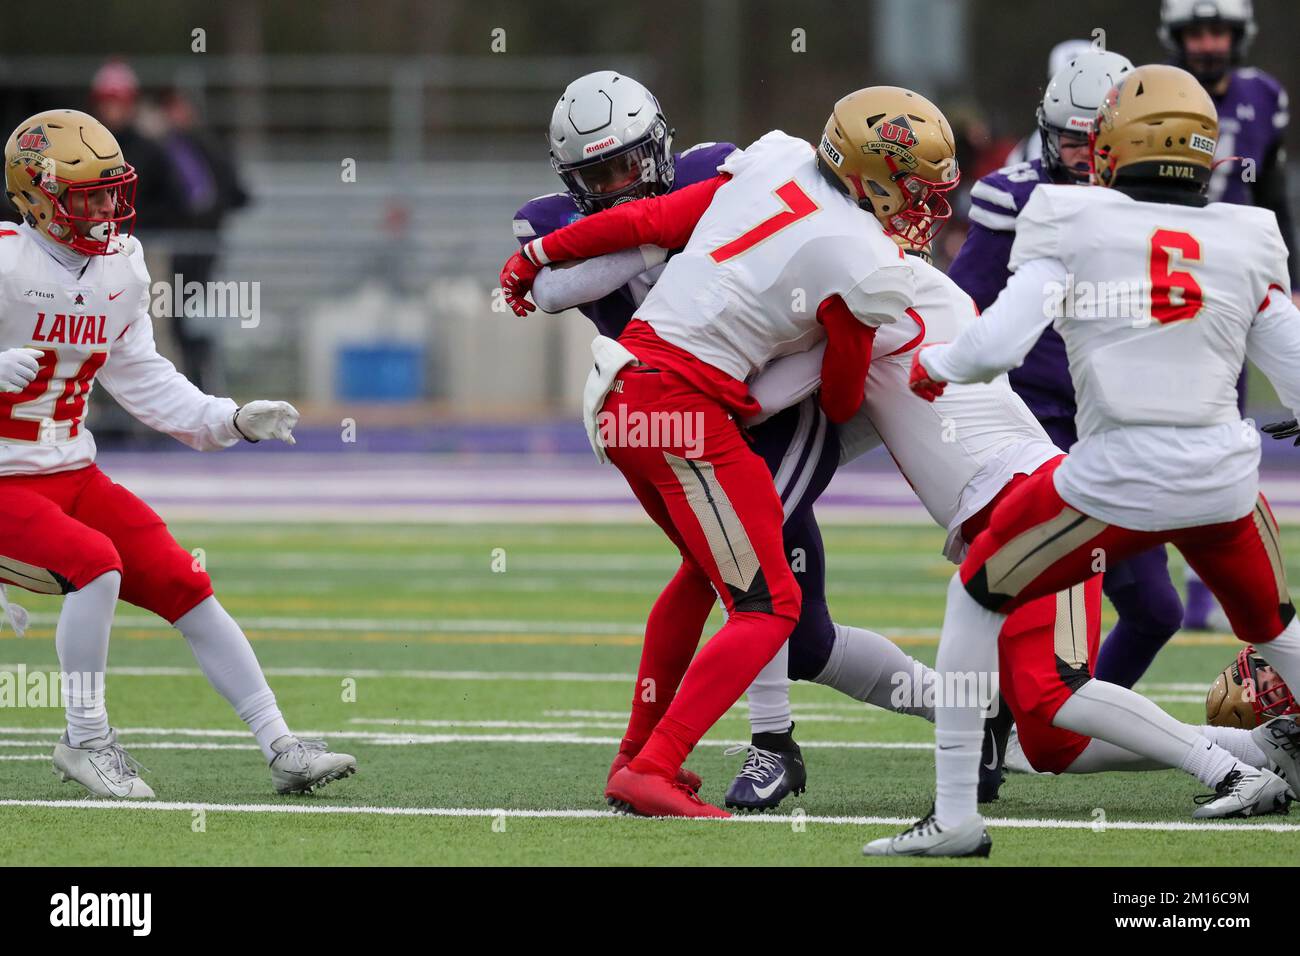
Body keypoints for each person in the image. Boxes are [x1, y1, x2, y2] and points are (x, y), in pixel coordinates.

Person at [880, 64, 1300, 857]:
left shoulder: (1070, 218)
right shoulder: (1247, 233)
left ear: (1112, 149)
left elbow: (997, 342)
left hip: (1115, 482)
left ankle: (957, 815)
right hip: (1222, 482)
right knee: (1277, 630)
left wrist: (938, 366)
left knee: (976, 596)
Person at [500, 87, 954, 817]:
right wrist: (849, 334)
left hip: (622, 398)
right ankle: (671, 762)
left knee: (708, 578)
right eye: (914, 186)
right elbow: (839, 404)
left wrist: (538, 256)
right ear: (874, 176)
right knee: (769, 605)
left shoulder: (772, 158)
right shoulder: (872, 261)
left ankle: (638, 758)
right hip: (687, 408)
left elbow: (650, 221)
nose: (923, 203)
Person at [0, 109, 356, 798]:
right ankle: (85, 740)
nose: (107, 207)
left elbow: (144, 379)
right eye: (89, 194)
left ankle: (280, 744)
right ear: (38, 195)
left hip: (71, 471)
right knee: (95, 564)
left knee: (184, 583)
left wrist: (229, 418)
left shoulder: (121, 270)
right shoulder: (6, 261)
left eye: (111, 190)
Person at [951, 50, 1186, 702]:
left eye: (1097, 143)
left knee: (1156, 609)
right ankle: (1009, 729)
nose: (1083, 158)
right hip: (1037, 422)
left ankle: (1067, 724)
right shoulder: (1020, 196)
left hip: (1117, 425)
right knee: (1034, 588)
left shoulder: (1161, 206)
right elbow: (961, 304)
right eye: (1071, 141)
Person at [1158, 0, 1300, 631]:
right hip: (1153, 277)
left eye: (1219, 31)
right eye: (1198, 31)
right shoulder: (1148, 90)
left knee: (1224, 425)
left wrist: (1288, 281)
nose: (1209, 44)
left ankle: (1199, 592)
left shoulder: (1264, 96)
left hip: (1230, 281)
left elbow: (1272, 194)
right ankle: (1133, 578)